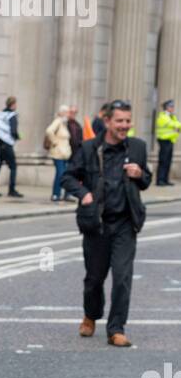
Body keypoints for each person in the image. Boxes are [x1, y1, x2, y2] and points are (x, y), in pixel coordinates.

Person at [61, 98, 152, 347]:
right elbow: (67, 177)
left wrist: (139, 174)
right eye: (120, 121)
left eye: (128, 121)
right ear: (107, 121)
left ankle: (116, 329)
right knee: (94, 279)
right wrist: (84, 194)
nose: (124, 126)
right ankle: (91, 315)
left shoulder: (138, 148)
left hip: (125, 223)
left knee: (122, 277)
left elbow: (146, 180)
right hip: (97, 224)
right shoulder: (89, 148)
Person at [0, 95, 23, 197]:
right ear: (13, 105)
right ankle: (11, 190)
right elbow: (13, 131)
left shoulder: (0, 114)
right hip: (7, 145)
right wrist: (17, 136)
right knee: (13, 167)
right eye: (15, 103)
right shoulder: (12, 115)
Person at [44, 105, 72, 201]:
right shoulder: (58, 121)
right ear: (63, 113)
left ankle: (66, 194)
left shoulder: (64, 123)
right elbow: (49, 131)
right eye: (68, 112)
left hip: (65, 154)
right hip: (58, 153)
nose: (69, 115)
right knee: (60, 174)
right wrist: (54, 142)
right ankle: (56, 194)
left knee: (66, 174)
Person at [155, 98, 179, 186]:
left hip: (170, 140)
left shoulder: (172, 116)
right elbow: (174, 124)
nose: (172, 108)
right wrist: (177, 126)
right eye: (171, 106)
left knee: (168, 161)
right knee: (163, 161)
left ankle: (165, 179)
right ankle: (160, 180)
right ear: (166, 107)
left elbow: (177, 124)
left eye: (173, 106)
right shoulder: (163, 116)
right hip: (164, 140)